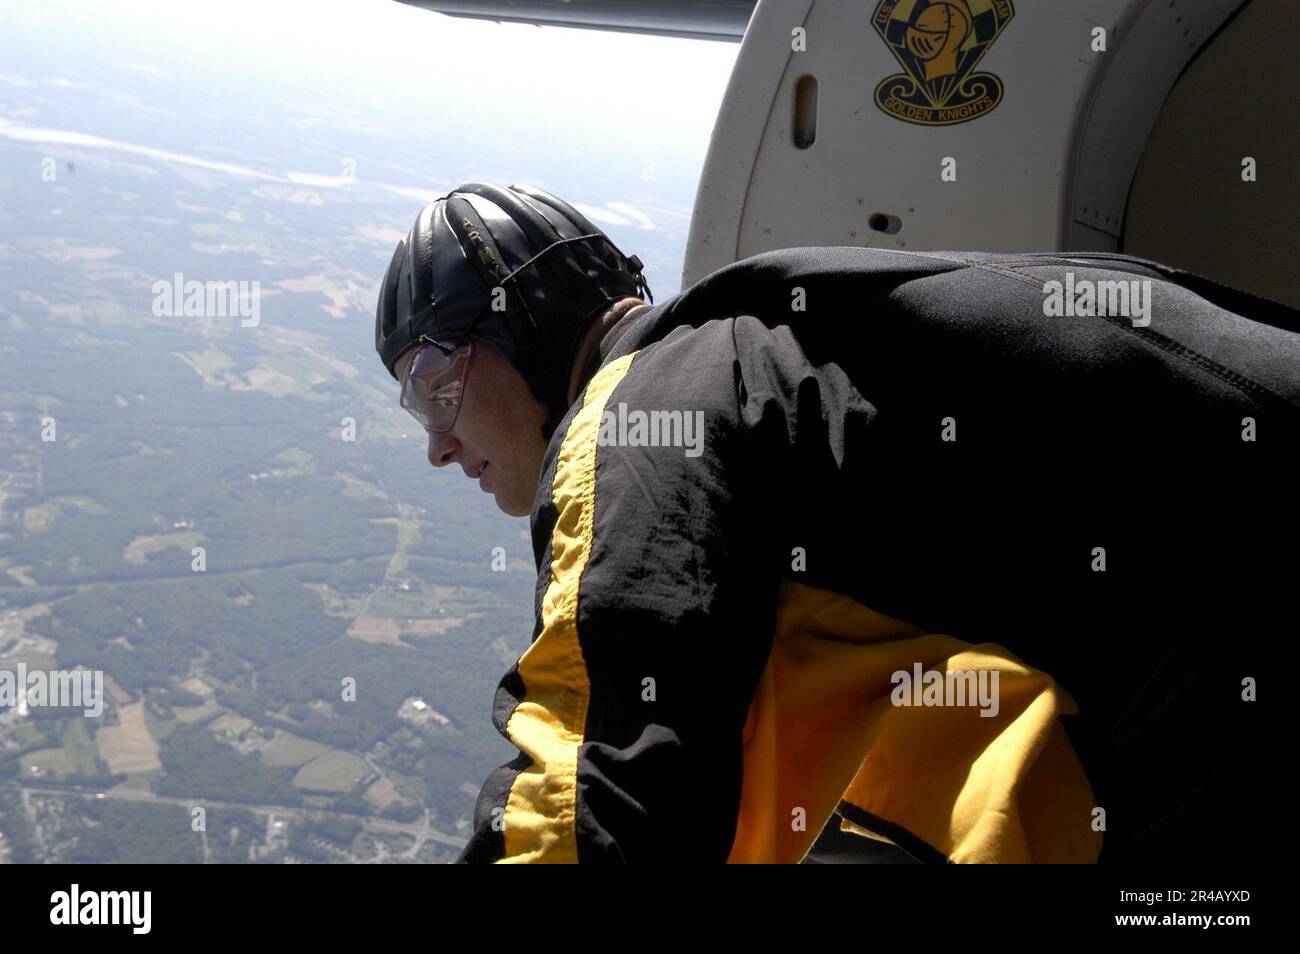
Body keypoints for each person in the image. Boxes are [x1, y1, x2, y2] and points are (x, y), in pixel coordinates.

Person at [375, 182, 1297, 864]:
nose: (439, 445)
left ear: (523, 326)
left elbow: (595, 803)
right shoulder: (770, 354)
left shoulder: (643, 409)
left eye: (432, 385)